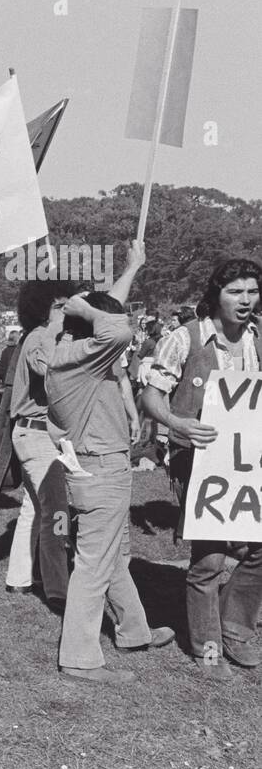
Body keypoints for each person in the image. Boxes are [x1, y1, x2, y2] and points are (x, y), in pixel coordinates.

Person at [45, 240, 174, 684]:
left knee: (113, 556)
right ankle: (79, 659)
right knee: (94, 564)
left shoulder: (67, 351)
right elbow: (116, 329)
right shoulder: (81, 360)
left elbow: (109, 318)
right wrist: (84, 305)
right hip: (101, 470)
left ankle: (134, 631)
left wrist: (133, 265)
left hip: (98, 468)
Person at [142, 257, 262, 682]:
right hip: (196, 460)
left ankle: (237, 629)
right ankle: (208, 648)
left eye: (252, 291)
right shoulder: (184, 338)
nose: (246, 300)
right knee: (209, 558)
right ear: (216, 294)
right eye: (236, 292)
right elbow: (152, 396)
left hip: (246, 465)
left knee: (258, 550)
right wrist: (177, 423)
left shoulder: (257, 338)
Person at [3, 280, 74, 605]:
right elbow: (51, 377)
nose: (66, 311)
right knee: (57, 511)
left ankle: (19, 577)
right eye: (59, 306)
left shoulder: (43, 336)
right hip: (37, 433)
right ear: (42, 308)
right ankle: (58, 587)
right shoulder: (40, 337)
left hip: (32, 432)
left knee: (34, 508)